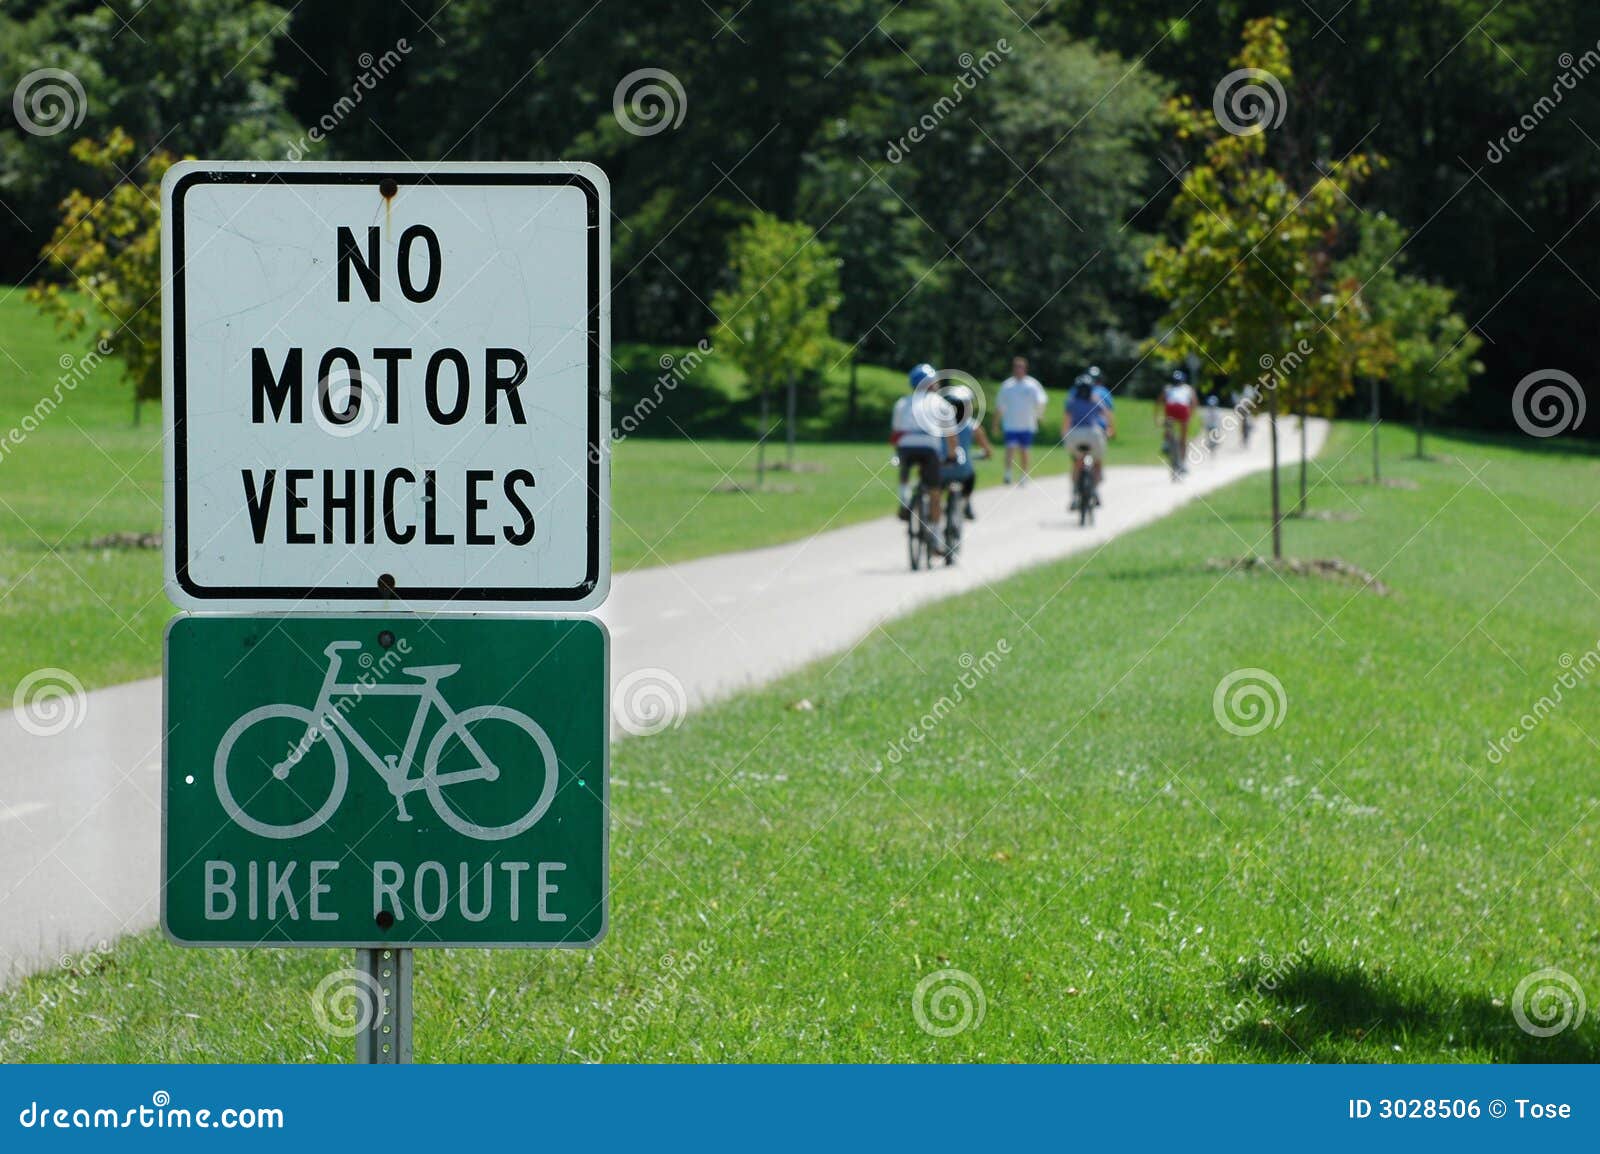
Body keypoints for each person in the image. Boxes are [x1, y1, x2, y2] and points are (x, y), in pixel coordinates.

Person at [892, 363, 959, 542]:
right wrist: (952, 456)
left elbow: (896, 433)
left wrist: (897, 452)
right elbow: (951, 436)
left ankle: (904, 499)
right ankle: (936, 535)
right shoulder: (941, 403)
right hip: (930, 449)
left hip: (906, 446)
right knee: (935, 491)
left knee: (905, 469)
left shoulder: (902, 403)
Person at [938, 382, 993, 520]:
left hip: (942, 468)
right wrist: (985, 454)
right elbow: (987, 449)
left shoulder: (939, 423)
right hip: (963, 470)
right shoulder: (972, 425)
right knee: (971, 476)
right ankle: (965, 504)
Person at [992, 355, 1047, 485]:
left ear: (1025, 369)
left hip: (1027, 424)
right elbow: (1000, 406)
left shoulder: (1032, 385)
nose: (1018, 370)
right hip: (1011, 424)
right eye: (1016, 367)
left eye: (1021, 367)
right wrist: (995, 424)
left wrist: (1040, 414)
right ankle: (1008, 474)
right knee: (1010, 449)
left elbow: (1041, 401)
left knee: (1024, 450)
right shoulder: (1007, 386)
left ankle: (1023, 475)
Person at [1063, 378, 1109, 510]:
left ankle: (1075, 496)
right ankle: (1094, 491)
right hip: (1093, 434)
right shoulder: (1095, 400)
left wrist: (1064, 435)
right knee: (1097, 461)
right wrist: (1108, 430)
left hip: (1075, 435)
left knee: (1077, 462)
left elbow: (1066, 422)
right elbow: (1105, 415)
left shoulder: (1071, 402)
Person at [1157, 369, 1198, 463]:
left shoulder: (1168, 388)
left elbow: (1159, 401)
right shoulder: (1188, 388)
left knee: (1168, 425)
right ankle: (1183, 462)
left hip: (1171, 408)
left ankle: (1166, 443)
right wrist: (1191, 415)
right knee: (1183, 438)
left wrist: (1157, 417)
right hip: (1182, 409)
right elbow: (1194, 402)